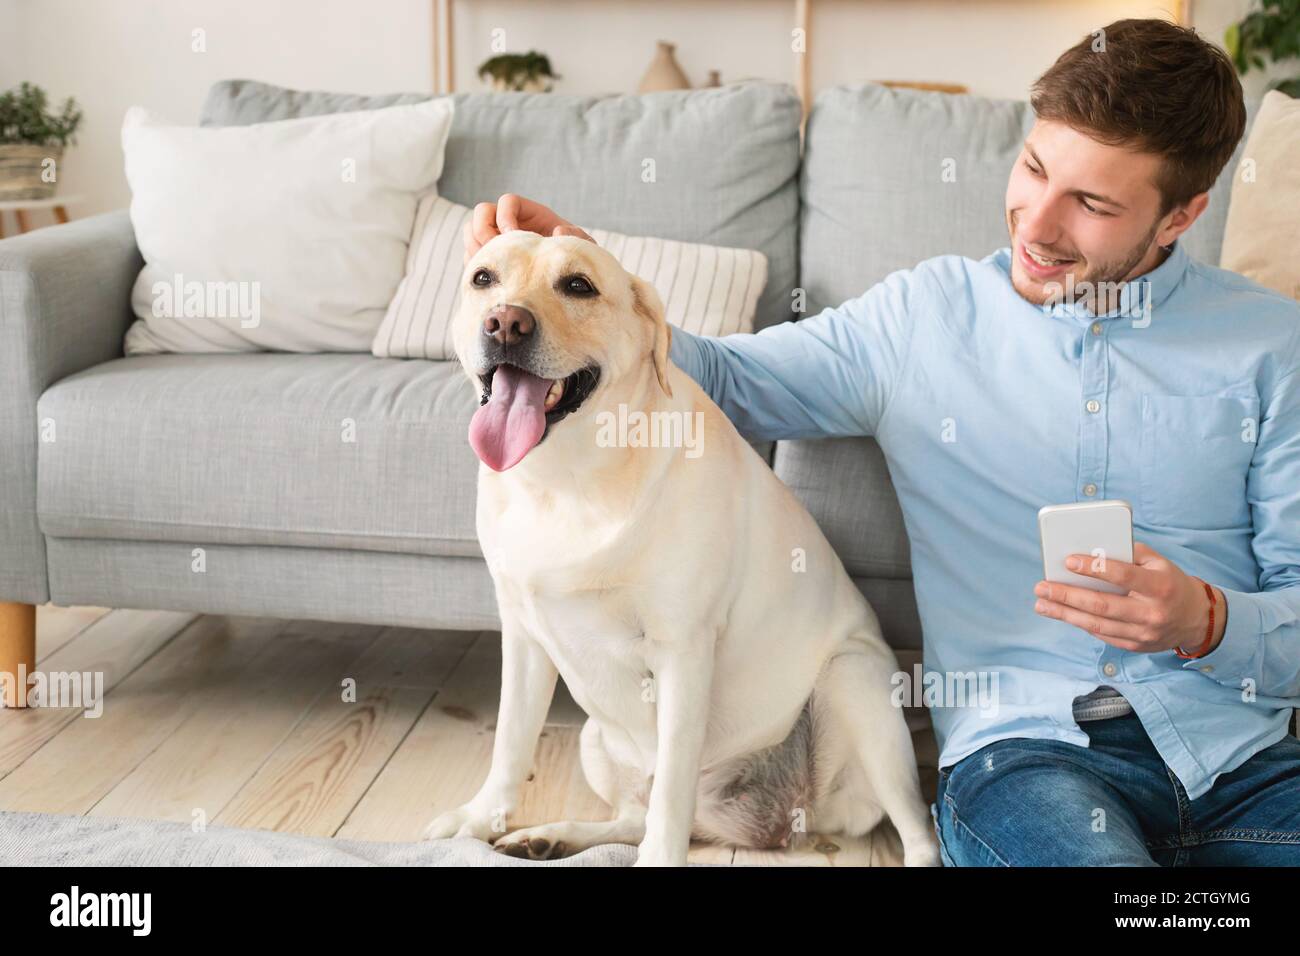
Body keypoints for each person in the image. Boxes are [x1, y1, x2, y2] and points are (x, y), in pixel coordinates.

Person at [464, 18, 1300, 866]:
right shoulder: (923, 319)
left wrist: (1207, 620)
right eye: (1035, 170)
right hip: (1031, 759)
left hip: (1247, 765)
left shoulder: (1271, 347)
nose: (1036, 225)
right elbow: (720, 377)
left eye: (1091, 205)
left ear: (1181, 215)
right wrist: (581, 284)